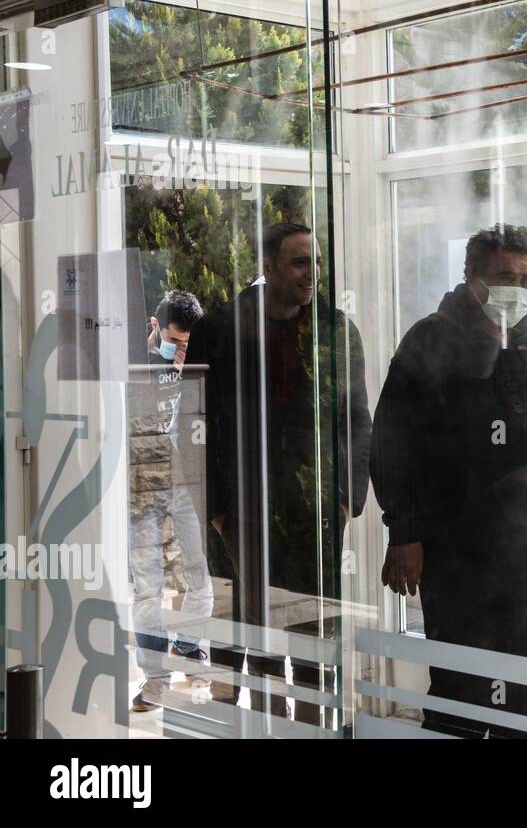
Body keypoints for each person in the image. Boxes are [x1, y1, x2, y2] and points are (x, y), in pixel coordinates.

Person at [371, 224, 527, 738]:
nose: (517, 288)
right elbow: (390, 441)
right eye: (503, 276)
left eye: (526, 279)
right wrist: (404, 533)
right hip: (455, 552)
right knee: (459, 690)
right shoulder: (430, 340)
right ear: (471, 278)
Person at [185, 222, 371, 724]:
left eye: (315, 262)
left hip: (315, 516)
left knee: (313, 641)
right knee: (250, 641)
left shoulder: (334, 330)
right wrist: (217, 512)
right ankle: (261, 728)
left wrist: (347, 498)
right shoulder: (221, 329)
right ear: (266, 267)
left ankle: (311, 732)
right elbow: (193, 424)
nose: (311, 274)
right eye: (298, 263)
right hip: (243, 513)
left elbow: (357, 420)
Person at [128, 290, 215, 712]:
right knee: (147, 590)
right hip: (143, 489)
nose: (180, 350)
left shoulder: (198, 369)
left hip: (188, 487)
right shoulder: (135, 367)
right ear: (154, 328)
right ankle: (155, 679)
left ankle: (188, 646)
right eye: (173, 341)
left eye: (187, 344)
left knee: (201, 578)